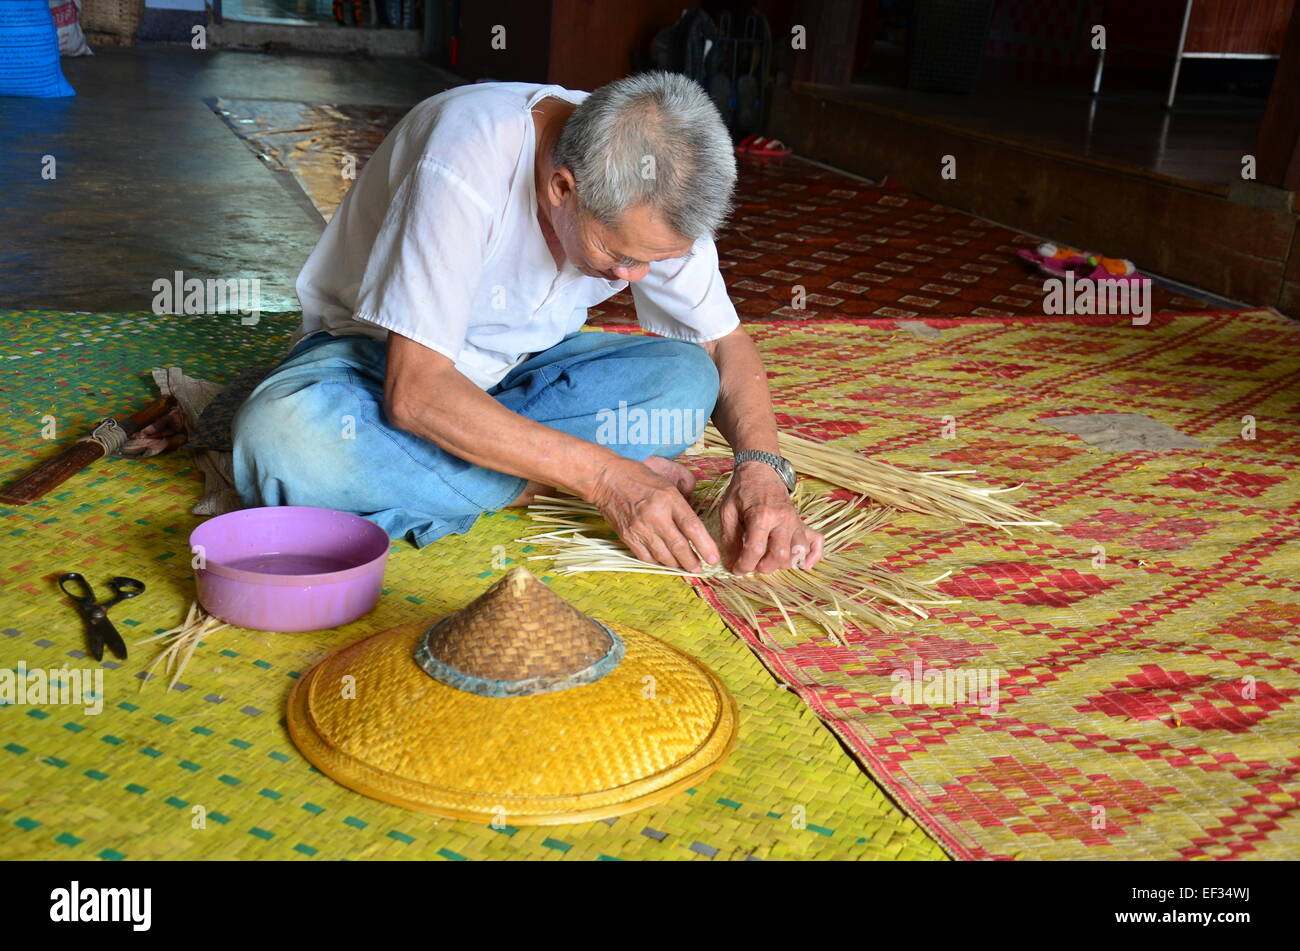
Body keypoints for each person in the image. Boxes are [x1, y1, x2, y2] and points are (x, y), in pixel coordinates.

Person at [233, 71, 823, 574]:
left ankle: (482, 463)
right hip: (374, 367)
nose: (636, 276)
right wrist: (603, 480)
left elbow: (723, 344)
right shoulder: (465, 156)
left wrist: (762, 470)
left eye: (655, 260)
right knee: (287, 441)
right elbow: (415, 395)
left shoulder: (659, 173)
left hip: (520, 377)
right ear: (561, 186)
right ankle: (536, 482)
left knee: (687, 379)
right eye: (620, 255)